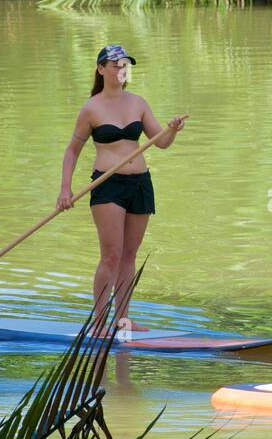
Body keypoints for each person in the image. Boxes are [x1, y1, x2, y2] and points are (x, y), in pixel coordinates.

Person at [56, 44, 186, 332]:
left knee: (129, 255)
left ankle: (122, 319)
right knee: (111, 255)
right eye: (115, 64)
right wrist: (65, 189)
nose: (121, 69)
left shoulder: (138, 102)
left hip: (140, 183)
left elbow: (160, 143)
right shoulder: (91, 108)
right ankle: (99, 323)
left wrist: (172, 130)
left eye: (125, 64)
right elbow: (72, 151)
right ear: (101, 69)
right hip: (108, 185)